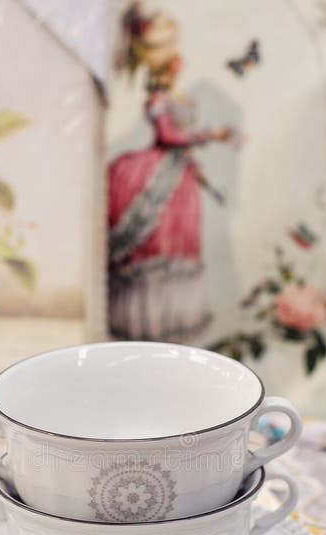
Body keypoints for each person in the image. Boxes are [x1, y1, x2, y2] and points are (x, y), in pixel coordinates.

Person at [109, 5, 234, 341]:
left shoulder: (172, 94)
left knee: (179, 242)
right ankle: (147, 324)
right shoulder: (158, 98)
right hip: (161, 172)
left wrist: (199, 166)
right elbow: (169, 136)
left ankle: (169, 324)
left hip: (182, 174)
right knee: (158, 242)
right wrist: (209, 135)